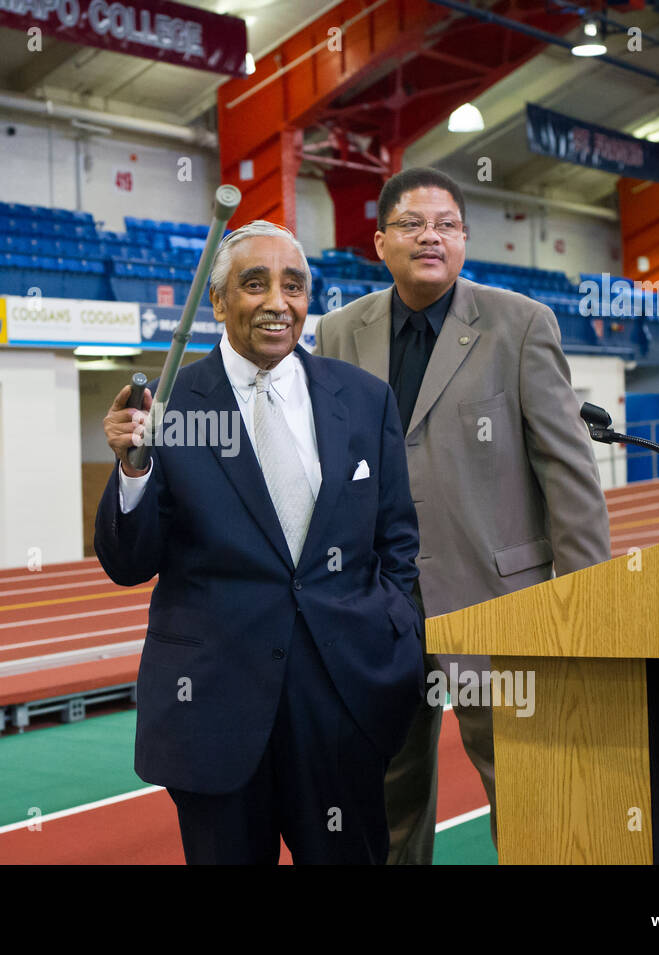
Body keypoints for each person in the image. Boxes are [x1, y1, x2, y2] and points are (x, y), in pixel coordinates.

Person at [94, 220, 425, 865]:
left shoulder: (363, 400)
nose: (278, 301)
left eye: (293, 285)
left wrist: (392, 634)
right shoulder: (172, 406)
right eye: (254, 284)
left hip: (343, 706)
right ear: (218, 303)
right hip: (213, 711)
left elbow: (397, 541)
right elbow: (129, 564)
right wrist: (134, 468)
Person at [314, 167, 611, 863]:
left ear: (465, 240)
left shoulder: (520, 324)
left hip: (502, 609)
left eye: (447, 224)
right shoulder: (336, 334)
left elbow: (570, 478)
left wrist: (585, 611)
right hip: (380, 619)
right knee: (388, 805)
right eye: (413, 224)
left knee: (532, 798)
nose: (431, 237)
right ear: (381, 240)